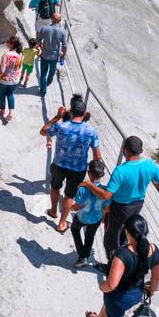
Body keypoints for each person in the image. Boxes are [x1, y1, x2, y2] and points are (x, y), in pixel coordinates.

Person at [82, 136, 159, 264]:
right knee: (126, 233)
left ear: (125, 150)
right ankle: (122, 256)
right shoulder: (150, 165)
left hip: (120, 208)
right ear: (140, 151)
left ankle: (113, 266)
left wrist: (89, 184)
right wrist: (156, 184)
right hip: (137, 205)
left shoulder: (120, 171)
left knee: (111, 238)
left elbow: (106, 195)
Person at [40, 95, 102, 232]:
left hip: (59, 165)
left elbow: (43, 131)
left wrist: (57, 117)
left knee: (55, 187)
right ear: (85, 113)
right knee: (69, 195)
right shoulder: (91, 131)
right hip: (78, 169)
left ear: (71, 111)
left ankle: (53, 211)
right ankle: (62, 223)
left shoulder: (61, 126)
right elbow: (97, 155)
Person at [70, 159, 109, 267]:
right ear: (102, 175)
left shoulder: (83, 189)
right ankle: (86, 256)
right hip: (96, 218)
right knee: (90, 236)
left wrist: (71, 208)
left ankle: (82, 256)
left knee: (74, 229)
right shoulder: (105, 190)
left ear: (88, 173)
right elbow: (107, 207)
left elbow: (77, 206)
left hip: (82, 217)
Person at [36, 11, 67, 96]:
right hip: (55, 55)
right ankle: (49, 81)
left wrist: (41, 46)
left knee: (43, 73)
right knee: (52, 70)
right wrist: (63, 56)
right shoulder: (63, 31)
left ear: (52, 19)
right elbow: (64, 45)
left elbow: (38, 40)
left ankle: (43, 91)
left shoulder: (44, 28)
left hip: (45, 54)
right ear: (60, 21)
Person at [0, 35, 24, 124]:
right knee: (10, 94)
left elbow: (2, 69)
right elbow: (19, 68)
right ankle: (11, 112)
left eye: (8, 42)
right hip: (14, 80)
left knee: (2, 95)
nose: (6, 43)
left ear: (12, 45)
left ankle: (2, 110)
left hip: (4, 79)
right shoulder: (19, 55)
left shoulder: (6, 55)